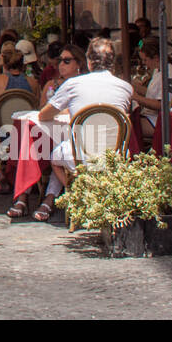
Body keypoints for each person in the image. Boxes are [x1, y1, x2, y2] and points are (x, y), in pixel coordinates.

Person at [24, 38, 134, 223]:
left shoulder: (73, 85)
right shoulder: (126, 88)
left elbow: (43, 115)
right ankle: (96, 197)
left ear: (89, 62)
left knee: (55, 158)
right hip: (115, 157)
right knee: (65, 150)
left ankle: (80, 196)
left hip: (81, 157)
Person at [130, 39, 172, 136]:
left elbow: (161, 104)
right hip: (150, 116)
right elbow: (152, 93)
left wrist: (136, 97)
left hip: (158, 121)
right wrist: (132, 85)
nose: (144, 63)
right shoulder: (158, 70)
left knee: (127, 126)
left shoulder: (169, 73)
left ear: (156, 58)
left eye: (145, 60)